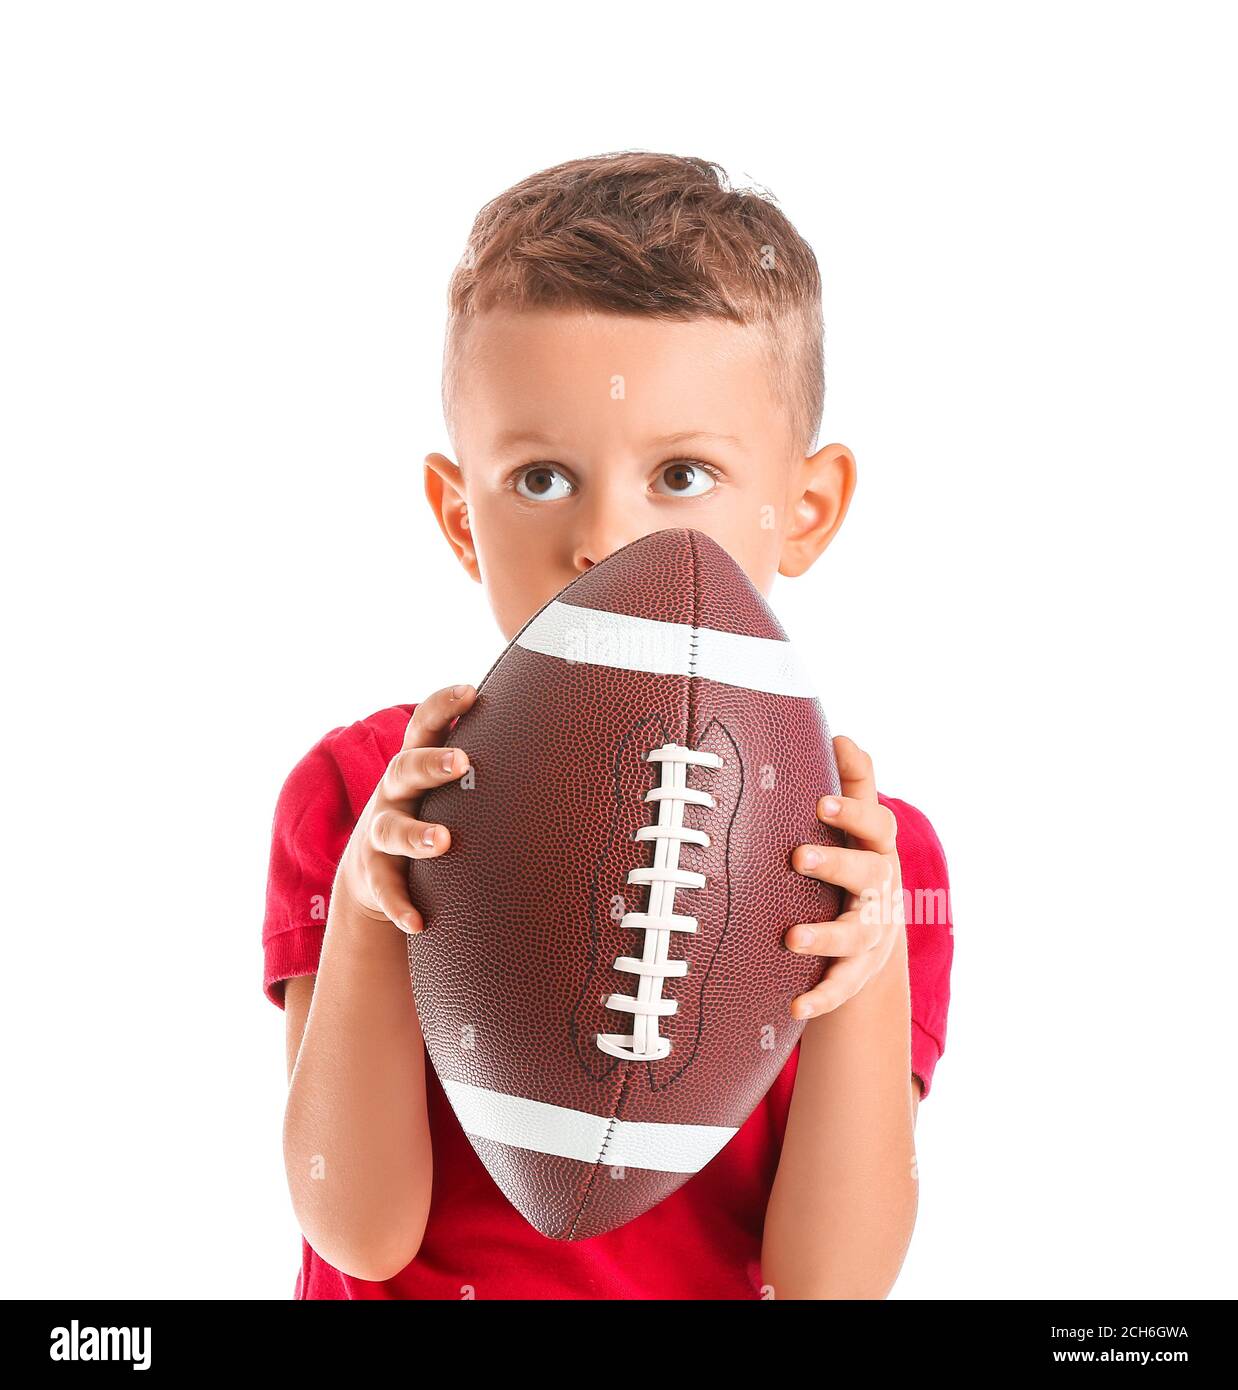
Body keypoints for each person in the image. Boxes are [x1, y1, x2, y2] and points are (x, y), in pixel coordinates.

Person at [262, 151, 954, 1299]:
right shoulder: (364, 794)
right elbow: (359, 1230)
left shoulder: (867, 855)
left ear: (805, 507)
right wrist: (372, 912)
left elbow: (829, 1285)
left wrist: (865, 968)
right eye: (540, 478)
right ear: (460, 516)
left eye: (680, 474)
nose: (602, 540)